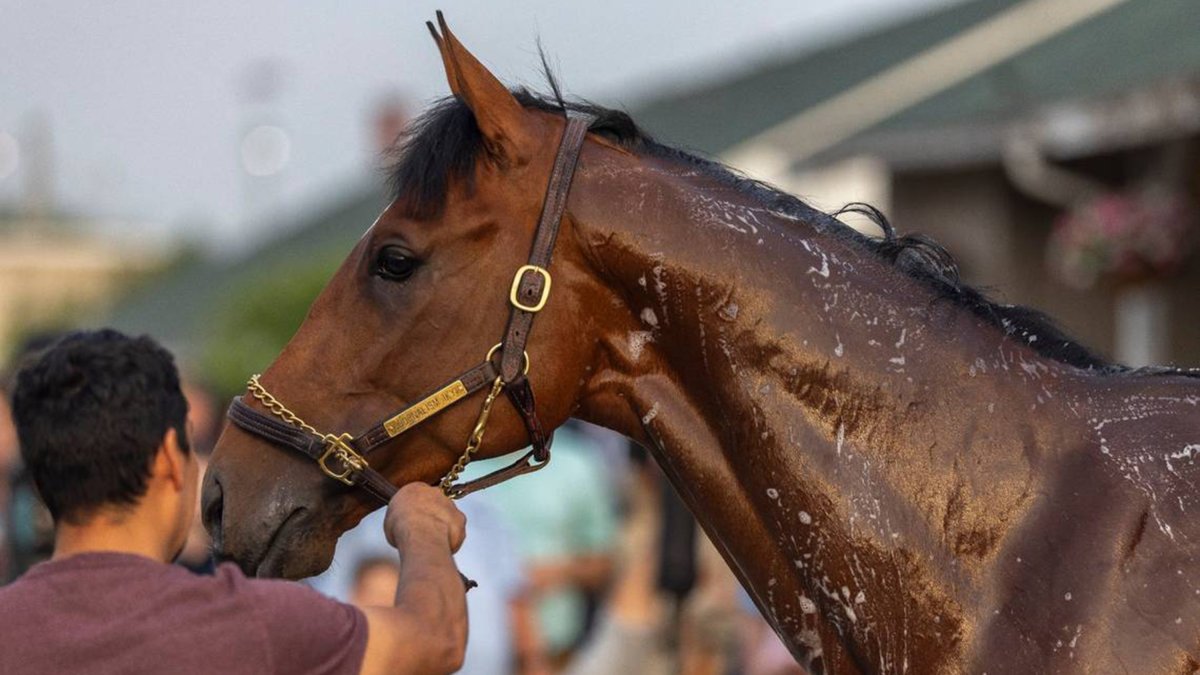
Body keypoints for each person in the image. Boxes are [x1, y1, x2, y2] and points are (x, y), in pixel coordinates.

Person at [0, 329, 469, 674]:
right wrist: (422, 529)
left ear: (39, 484)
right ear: (169, 456)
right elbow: (437, 639)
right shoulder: (255, 620)